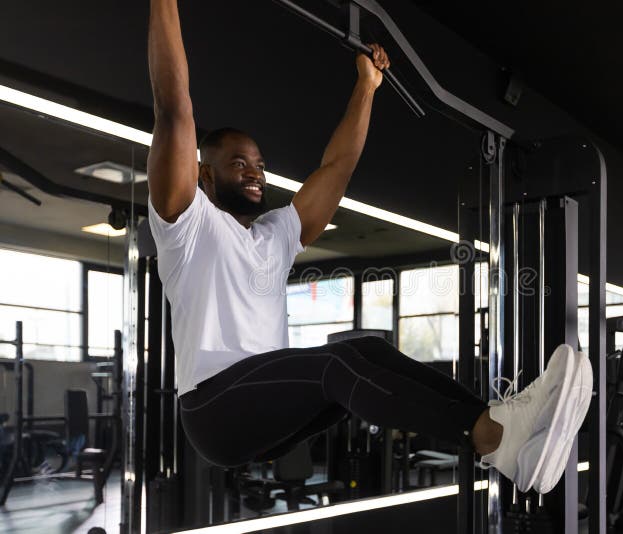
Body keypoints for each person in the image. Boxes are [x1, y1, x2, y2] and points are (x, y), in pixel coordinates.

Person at [145, 0, 592, 495]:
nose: (255, 172)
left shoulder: (275, 234)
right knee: (336, 364)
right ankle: (492, 435)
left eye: (259, 163)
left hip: (264, 414)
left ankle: (500, 431)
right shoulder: (188, 223)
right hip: (214, 410)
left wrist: (367, 86)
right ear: (204, 175)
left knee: (366, 349)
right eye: (238, 164)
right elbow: (174, 106)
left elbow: (336, 167)